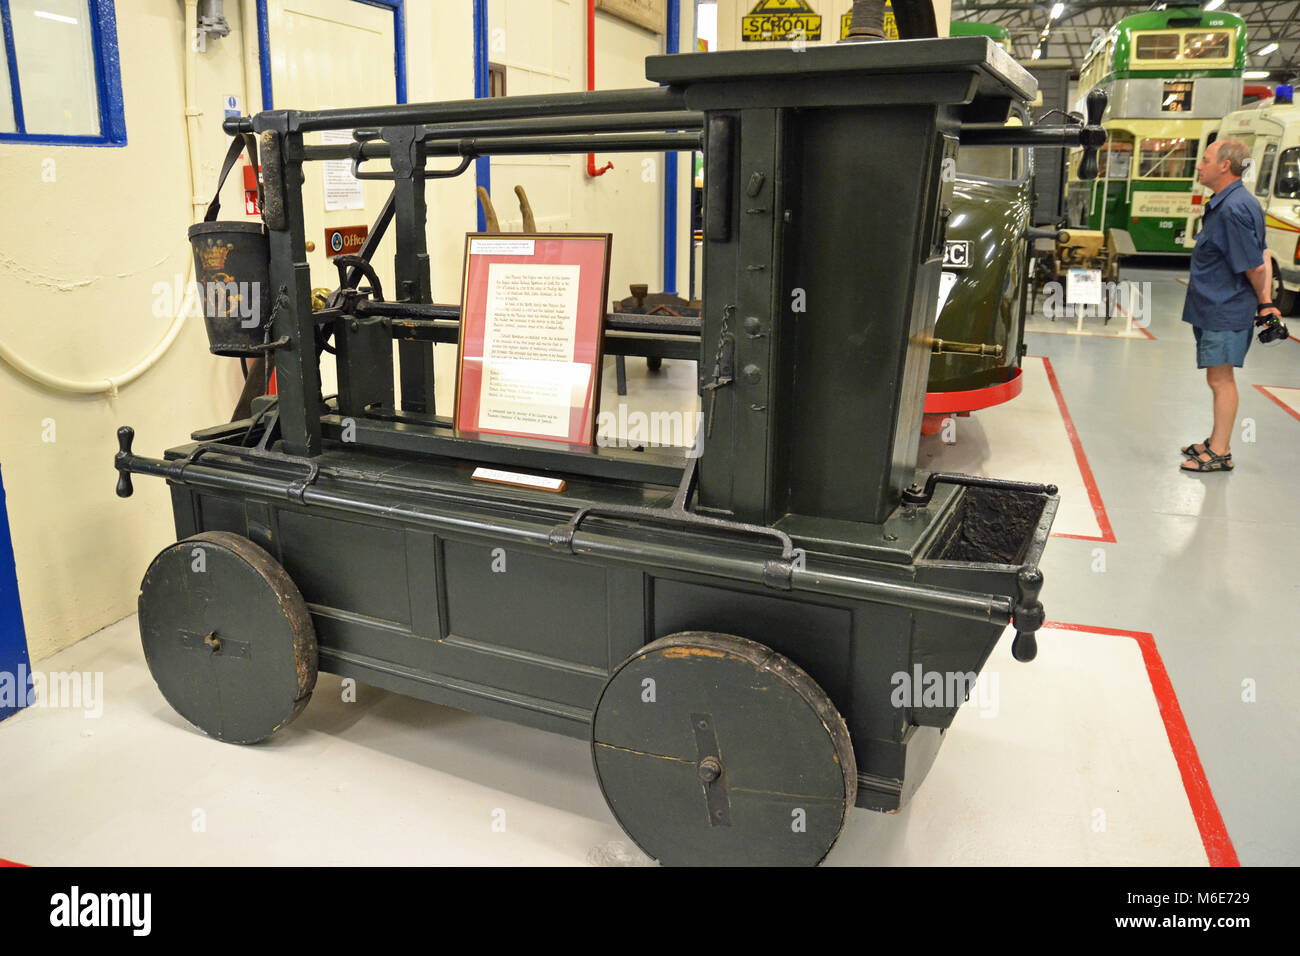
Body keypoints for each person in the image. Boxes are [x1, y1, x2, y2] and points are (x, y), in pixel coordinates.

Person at [1179, 137, 1280, 472]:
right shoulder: (1233, 202)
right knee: (1216, 377)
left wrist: (1265, 304)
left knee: (1221, 380)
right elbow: (1262, 251)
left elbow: (1255, 264)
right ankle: (1215, 440)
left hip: (1225, 307)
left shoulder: (1234, 209)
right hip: (1216, 305)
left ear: (1224, 165)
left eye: (1206, 159)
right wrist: (1265, 300)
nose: (1199, 165)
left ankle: (1220, 451)